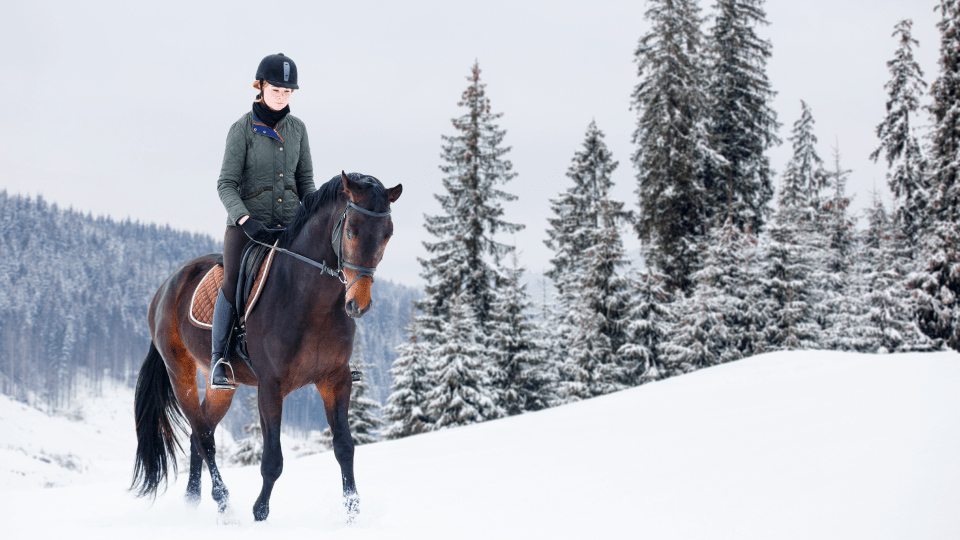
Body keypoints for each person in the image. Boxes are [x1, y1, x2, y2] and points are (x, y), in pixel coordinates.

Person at [211, 53, 316, 389]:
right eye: (276, 89)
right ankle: (220, 360)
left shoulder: (298, 129)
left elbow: (306, 182)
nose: (282, 96)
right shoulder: (241, 129)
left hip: (290, 225)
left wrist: (313, 215)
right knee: (232, 282)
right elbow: (225, 183)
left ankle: (333, 356)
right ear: (260, 86)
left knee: (323, 273)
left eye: (288, 91)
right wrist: (243, 218)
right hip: (247, 227)